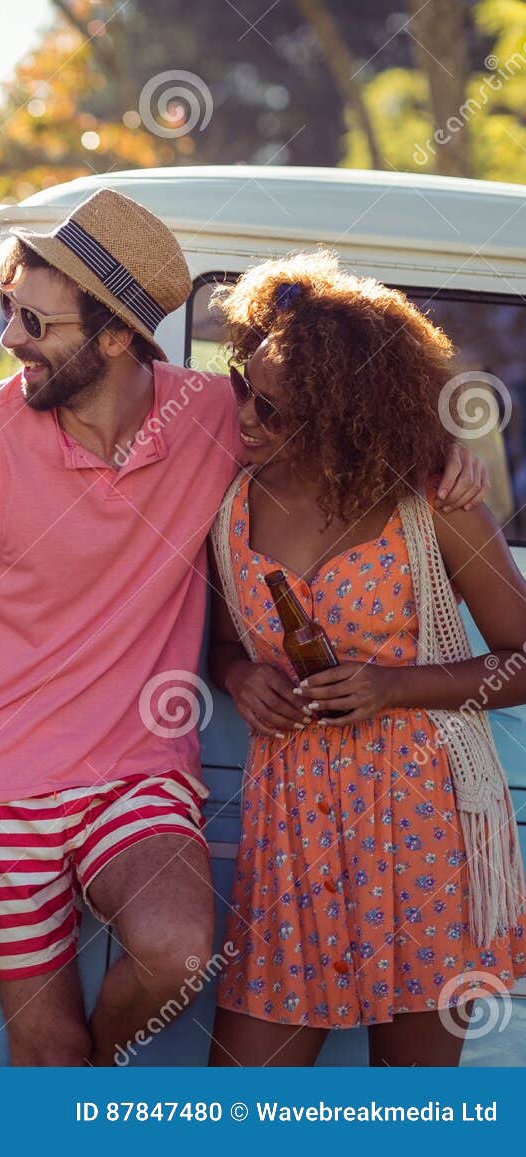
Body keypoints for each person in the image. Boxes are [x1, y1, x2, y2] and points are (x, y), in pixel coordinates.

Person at [0, 189, 490, 1066]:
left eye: (38, 323)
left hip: (138, 770)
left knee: (176, 951)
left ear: (120, 336)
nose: (14, 338)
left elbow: (343, 407)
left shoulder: (216, 416)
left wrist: (441, 451)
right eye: (12, 313)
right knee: (44, 1052)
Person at [206, 250, 526, 1066]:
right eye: (242, 382)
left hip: (423, 819)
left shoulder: (431, 503)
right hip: (293, 826)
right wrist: (242, 677)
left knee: (409, 1114)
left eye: (272, 409)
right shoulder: (227, 506)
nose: (243, 414)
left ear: (342, 411)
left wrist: (395, 686)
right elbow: (213, 640)